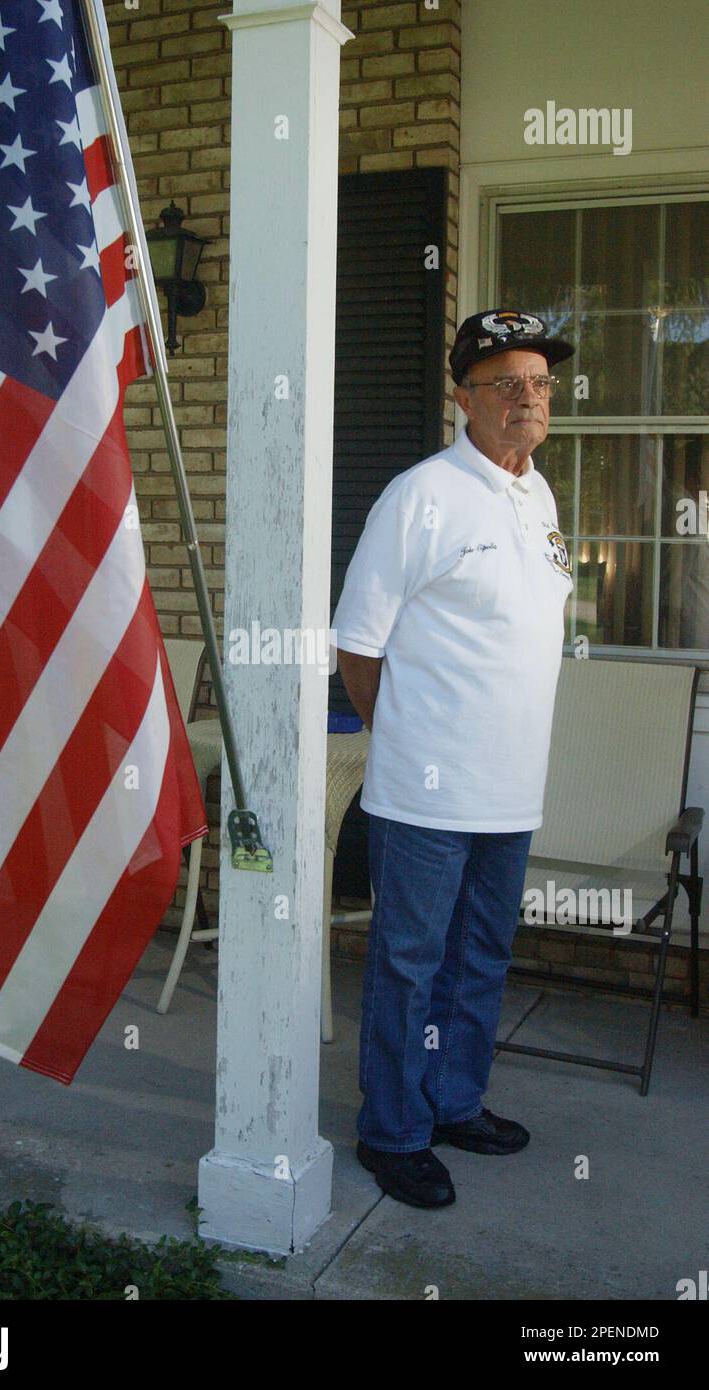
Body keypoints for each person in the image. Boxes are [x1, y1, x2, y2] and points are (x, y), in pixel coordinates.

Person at [331, 309, 575, 1210]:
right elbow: (359, 645)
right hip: (427, 794)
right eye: (505, 382)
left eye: (540, 382)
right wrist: (409, 743)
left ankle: (453, 1102)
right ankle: (392, 1132)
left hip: (512, 790)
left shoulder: (539, 497)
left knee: (481, 957)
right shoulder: (421, 495)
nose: (528, 398)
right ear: (464, 396)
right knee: (408, 963)